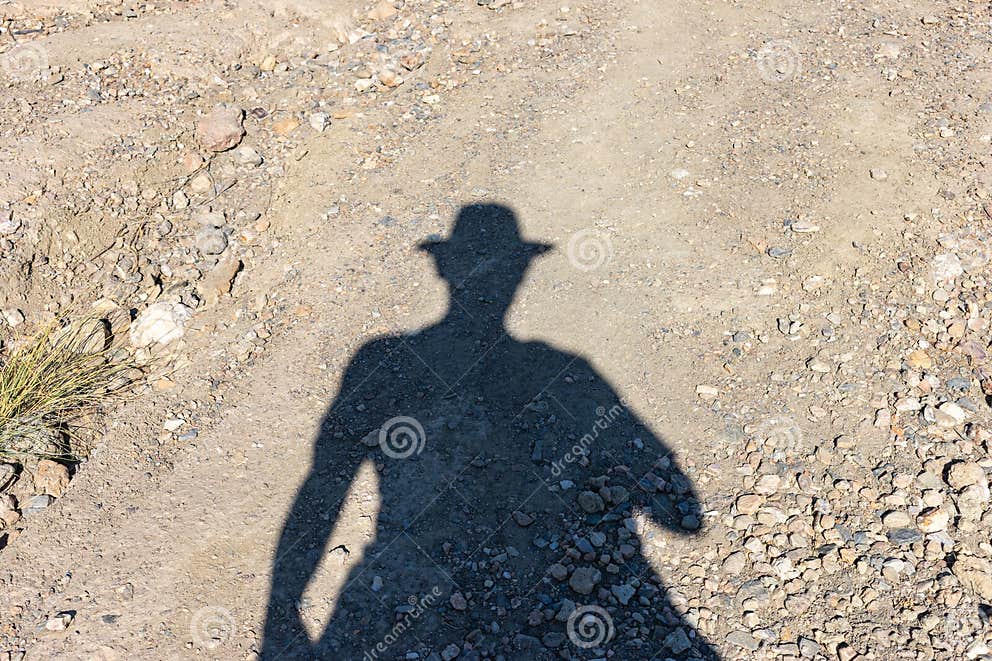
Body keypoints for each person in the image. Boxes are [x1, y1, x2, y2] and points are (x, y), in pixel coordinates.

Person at [262, 204, 715, 659]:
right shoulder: (561, 368)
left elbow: (324, 484)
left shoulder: (378, 358)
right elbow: (685, 519)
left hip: (393, 602)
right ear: (521, 274)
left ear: (443, 268)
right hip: (535, 609)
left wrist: (281, 611)